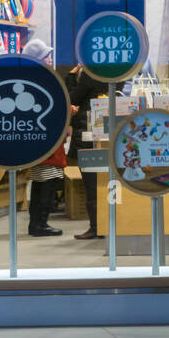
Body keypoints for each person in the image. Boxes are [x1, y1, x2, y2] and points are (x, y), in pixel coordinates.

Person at [22, 38, 65, 237]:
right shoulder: (38, 79)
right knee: (46, 180)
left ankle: (38, 223)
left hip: (44, 136)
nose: (50, 59)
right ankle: (40, 224)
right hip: (44, 136)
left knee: (44, 180)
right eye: (46, 56)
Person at [64, 63, 103, 239]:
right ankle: (103, 225)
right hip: (101, 135)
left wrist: (71, 76)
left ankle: (96, 227)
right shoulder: (113, 76)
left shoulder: (90, 75)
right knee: (102, 183)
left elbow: (72, 98)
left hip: (87, 135)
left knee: (91, 184)